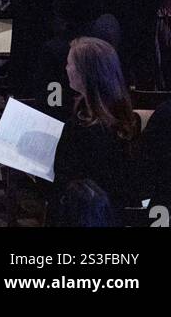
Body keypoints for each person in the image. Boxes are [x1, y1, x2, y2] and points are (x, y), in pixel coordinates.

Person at [50, 38, 140, 216]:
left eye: (70, 64)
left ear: (85, 74)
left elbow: (61, 179)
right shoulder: (125, 118)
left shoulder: (82, 130)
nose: (66, 69)